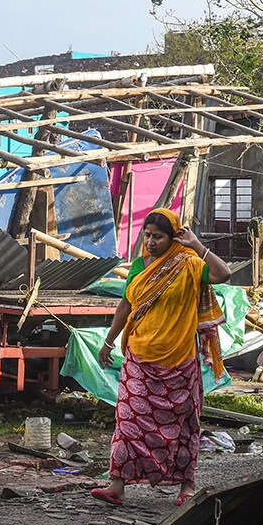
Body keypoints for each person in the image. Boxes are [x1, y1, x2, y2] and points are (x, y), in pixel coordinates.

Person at [93, 208, 231, 507]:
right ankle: (116, 486)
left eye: (158, 237)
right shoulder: (139, 266)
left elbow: (223, 273)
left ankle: (186, 485)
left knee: (183, 424)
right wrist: (108, 341)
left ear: (173, 238)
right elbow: (126, 306)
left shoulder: (190, 265)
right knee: (128, 419)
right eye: (147, 236)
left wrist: (196, 244)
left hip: (178, 359)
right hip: (139, 356)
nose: (151, 242)